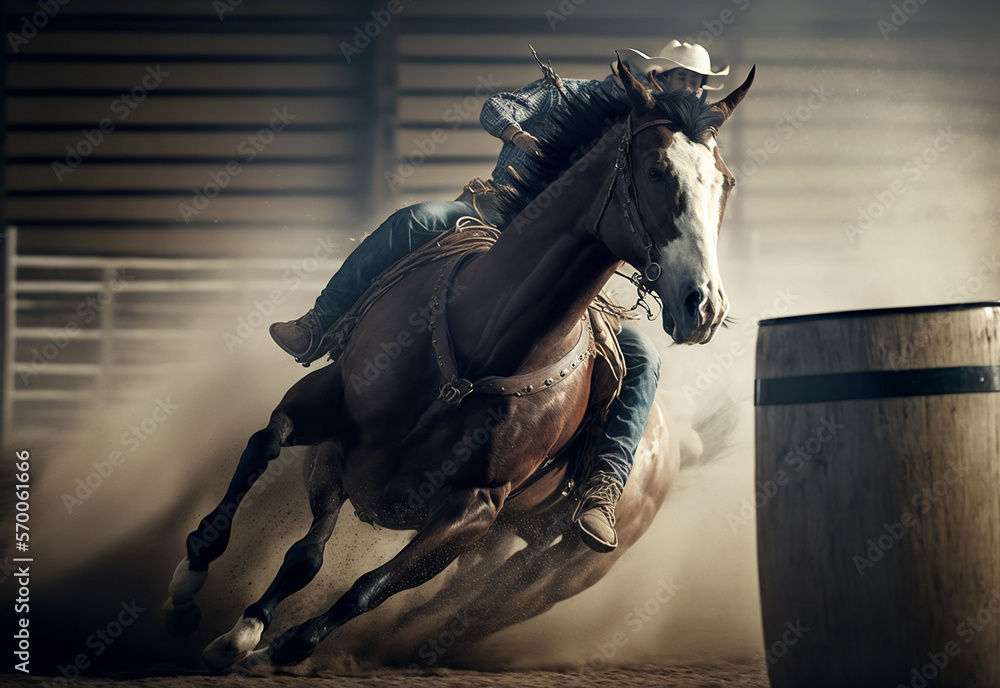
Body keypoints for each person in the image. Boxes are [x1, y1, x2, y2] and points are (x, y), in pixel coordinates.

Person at [269, 42, 728, 553]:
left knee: (641, 360)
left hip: (571, 277)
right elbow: (497, 108)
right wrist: (532, 144)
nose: (689, 91)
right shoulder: (576, 96)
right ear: (652, 75)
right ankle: (321, 323)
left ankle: (601, 487)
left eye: (697, 84)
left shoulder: (674, 146)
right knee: (418, 220)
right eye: (680, 79)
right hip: (492, 221)